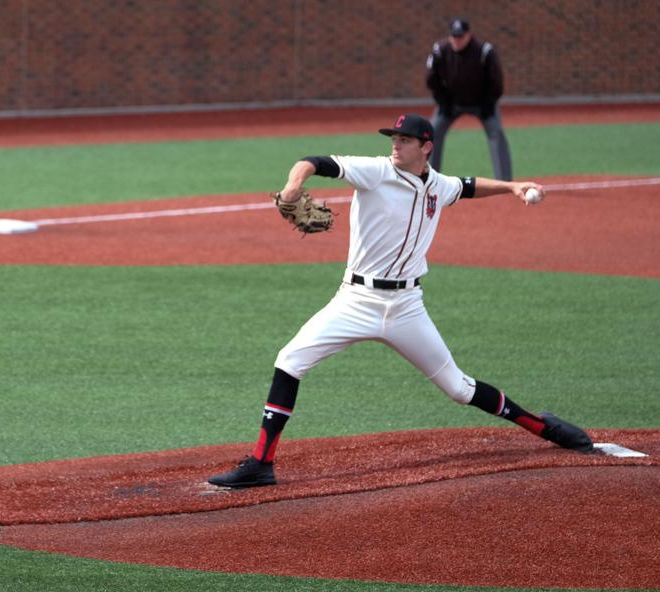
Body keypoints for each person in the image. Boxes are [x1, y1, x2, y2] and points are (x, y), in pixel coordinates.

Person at [207, 113, 592, 489]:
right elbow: (314, 161)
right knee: (290, 361)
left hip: (408, 307)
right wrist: (294, 185)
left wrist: (512, 186)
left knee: (459, 388)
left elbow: (468, 185)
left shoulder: (438, 185)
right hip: (356, 301)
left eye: (404, 140)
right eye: (393, 138)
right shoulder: (375, 171)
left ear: (426, 147)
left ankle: (544, 427)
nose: (395, 145)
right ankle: (261, 463)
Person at [425, 18, 513, 181]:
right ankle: (428, 179)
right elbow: (431, 79)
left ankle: (505, 181)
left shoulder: (484, 51)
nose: (457, 40)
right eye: (454, 36)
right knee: (432, 132)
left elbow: (496, 81)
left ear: (469, 35)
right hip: (451, 103)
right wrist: (443, 101)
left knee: (496, 133)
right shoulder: (441, 50)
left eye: (460, 36)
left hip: (482, 103)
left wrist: (488, 103)